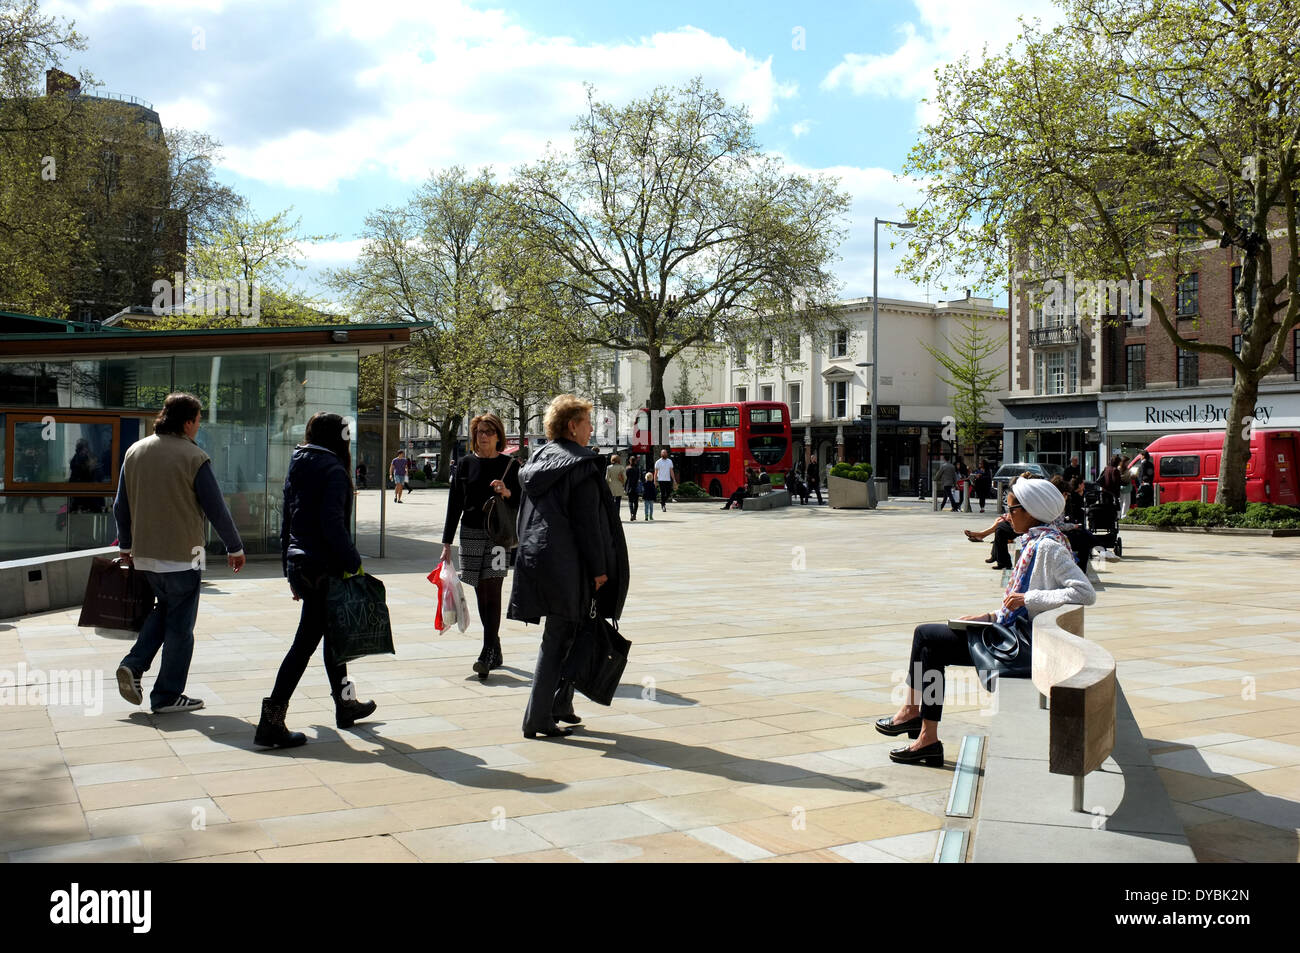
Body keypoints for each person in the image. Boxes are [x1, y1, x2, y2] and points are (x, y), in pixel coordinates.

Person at [876, 477, 1096, 765]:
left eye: (1011, 508)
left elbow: (1084, 592)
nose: (1006, 516)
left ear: (1031, 511)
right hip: (1014, 632)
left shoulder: (1048, 547)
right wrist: (990, 616)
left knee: (925, 636)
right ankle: (924, 733)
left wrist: (1029, 598)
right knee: (929, 646)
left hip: (1020, 645)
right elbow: (1017, 603)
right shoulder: (1036, 542)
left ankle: (914, 717)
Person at [113, 393, 245, 714]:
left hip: (145, 555)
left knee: (164, 611)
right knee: (181, 629)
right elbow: (216, 507)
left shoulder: (135, 451)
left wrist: (127, 547)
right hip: (185, 555)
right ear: (188, 422)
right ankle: (167, 694)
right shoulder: (194, 457)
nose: (198, 427)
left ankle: (133, 664)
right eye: (198, 421)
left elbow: (121, 506)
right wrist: (234, 546)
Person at [508, 395, 629, 739]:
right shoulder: (581, 466)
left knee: (570, 632)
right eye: (588, 423)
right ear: (572, 426)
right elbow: (588, 525)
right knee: (558, 637)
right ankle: (537, 718)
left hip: (537, 560)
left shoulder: (538, 460)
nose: (592, 429)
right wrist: (600, 569)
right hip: (568, 564)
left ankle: (560, 703)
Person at [256, 412, 376, 748]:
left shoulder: (299, 463)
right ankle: (271, 721)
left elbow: (287, 521)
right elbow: (332, 525)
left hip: (303, 565)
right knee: (305, 645)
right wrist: (354, 562)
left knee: (332, 639)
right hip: (325, 568)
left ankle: (346, 703)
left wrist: (289, 569)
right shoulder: (334, 470)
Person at [441, 413, 522, 680]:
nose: (484, 435)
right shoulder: (464, 464)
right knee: (479, 589)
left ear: (498, 436)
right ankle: (494, 645)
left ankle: (487, 651)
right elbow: (454, 504)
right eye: (479, 431)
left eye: (489, 431)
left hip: (499, 536)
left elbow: (522, 501)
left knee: (493, 588)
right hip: (471, 534)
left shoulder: (510, 465)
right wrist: (446, 542)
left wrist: (507, 492)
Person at [605, 452, 626, 518]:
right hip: (619, 486)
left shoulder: (609, 467)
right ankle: (617, 516)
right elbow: (625, 477)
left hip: (611, 486)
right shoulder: (621, 467)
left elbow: (606, 478)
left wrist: (608, 484)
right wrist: (623, 482)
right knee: (618, 502)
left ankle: (612, 515)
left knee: (611, 502)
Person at [625, 454, 641, 520]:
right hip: (636, 486)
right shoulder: (637, 469)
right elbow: (638, 478)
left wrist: (625, 487)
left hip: (629, 486)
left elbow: (626, 479)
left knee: (630, 501)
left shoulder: (627, 469)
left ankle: (631, 514)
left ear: (629, 461)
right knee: (636, 502)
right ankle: (634, 514)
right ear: (635, 461)